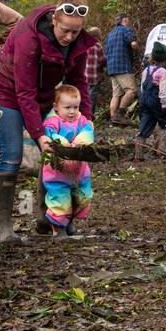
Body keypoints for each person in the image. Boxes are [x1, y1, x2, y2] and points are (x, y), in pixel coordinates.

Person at [0, 0, 98, 242]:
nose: (70, 36)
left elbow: (77, 82)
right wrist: (39, 135)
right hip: (7, 89)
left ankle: (48, 218)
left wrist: (87, 122)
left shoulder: (78, 43)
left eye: (75, 31)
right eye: (65, 30)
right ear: (54, 19)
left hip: (45, 93)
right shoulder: (29, 34)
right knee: (13, 154)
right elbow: (24, 92)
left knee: (58, 151)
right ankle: (2, 227)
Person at [41, 83, 96, 237]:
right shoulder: (52, 121)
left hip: (79, 170)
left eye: (76, 107)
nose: (72, 112)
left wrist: (81, 142)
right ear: (56, 106)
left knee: (81, 196)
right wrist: (64, 146)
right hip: (58, 170)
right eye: (67, 108)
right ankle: (58, 228)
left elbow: (87, 132)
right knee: (60, 197)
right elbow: (50, 134)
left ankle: (70, 220)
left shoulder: (82, 121)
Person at [134, 42, 166, 161]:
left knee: (145, 124)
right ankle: (162, 147)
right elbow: (163, 91)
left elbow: (142, 87)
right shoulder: (163, 71)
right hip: (155, 101)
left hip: (144, 100)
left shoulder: (146, 70)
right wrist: (165, 105)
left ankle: (138, 155)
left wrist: (141, 101)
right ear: (165, 58)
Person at [104, 14, 139, 121]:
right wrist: (136, 47)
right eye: (128, 20)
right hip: (123, 66)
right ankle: (120, 114)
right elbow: (133, 43)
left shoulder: (110, 34)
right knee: (131, 91)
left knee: (116, 94)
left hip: (112, 68)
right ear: (124, 20)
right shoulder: (125, 30)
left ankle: (113, 118)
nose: (129, 22)